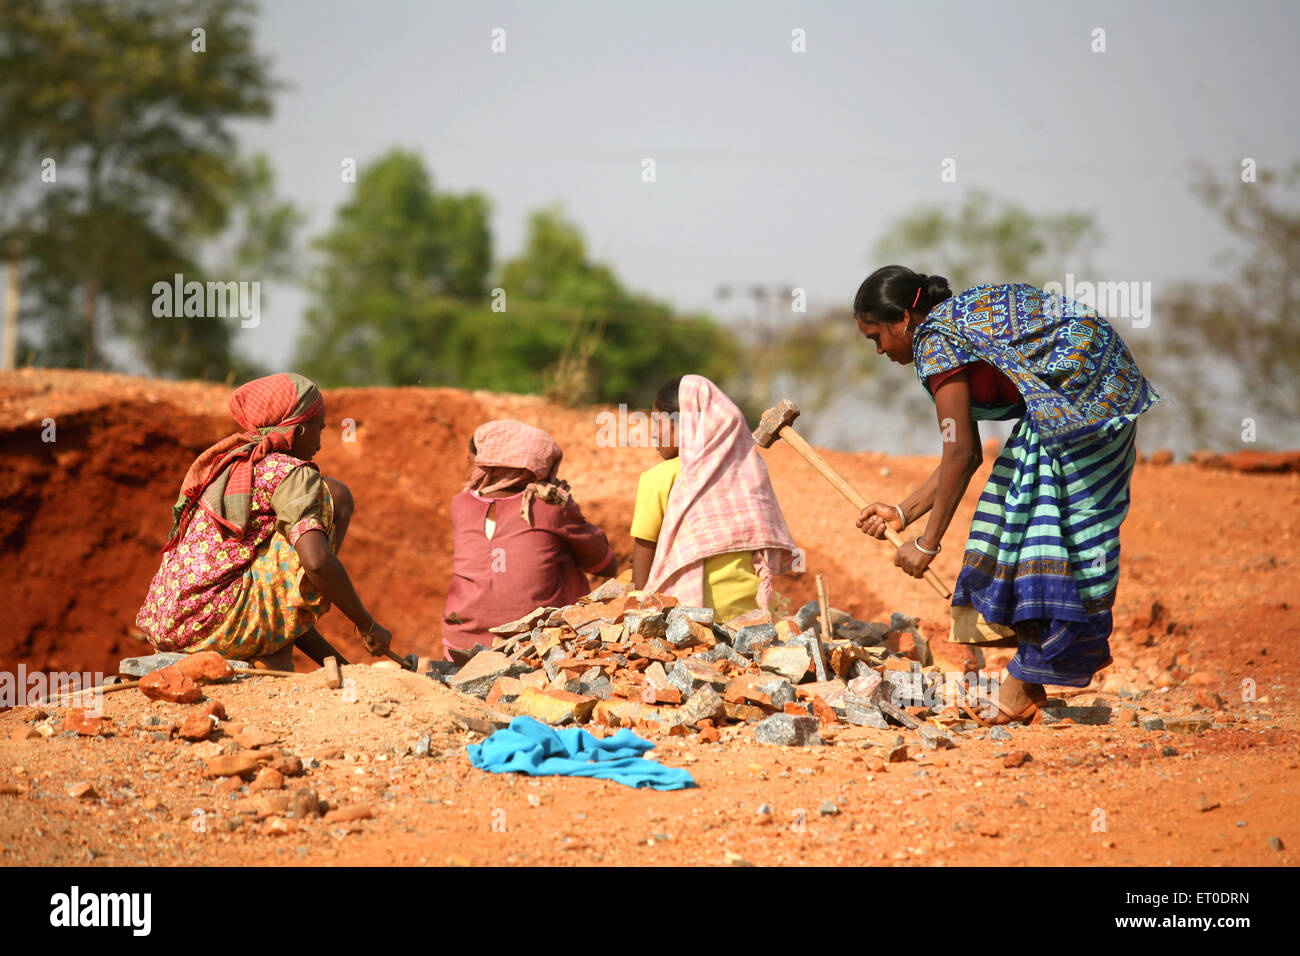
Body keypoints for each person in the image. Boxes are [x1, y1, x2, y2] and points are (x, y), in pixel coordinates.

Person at [852, 266, 1159, 724]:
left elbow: (958, 452)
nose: (879, 350)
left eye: (877, 336)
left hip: (1081, 404)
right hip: (1109, 396)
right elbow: (968, 452)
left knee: (1035, 525)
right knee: (1051, 525)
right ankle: (1033, 677)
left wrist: (927, 544)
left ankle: (1025, 682)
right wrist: (903, 512)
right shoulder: (953, 325)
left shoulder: (935, 340)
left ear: (902, 320)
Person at [135, 372, 392, 669]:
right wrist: (368, 625)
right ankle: (269, 656)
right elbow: (317, 563)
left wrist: (341, 667)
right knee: (335, 494)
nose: (320, 443)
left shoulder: (231, 465)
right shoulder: (292, 473)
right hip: (213, 624)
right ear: (300, 429)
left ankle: (270, 654)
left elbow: (278, 598)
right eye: (319, 429)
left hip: (173, 628)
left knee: (296, 536)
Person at [442, 420, 617, 659]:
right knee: (563, 554)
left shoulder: (460, 504)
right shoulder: (550, 506)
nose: (467, 465)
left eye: (470, 459)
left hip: (460, 644)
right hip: (530, 647)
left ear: (485, 464)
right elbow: (606, 565)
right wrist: (564, 504)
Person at [631, 374, 797, 622]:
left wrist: (637, 608)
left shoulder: (658, 478)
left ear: (683, 424)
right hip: (751, 617)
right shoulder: (746, 474)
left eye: (658, 423)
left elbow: (643, 553)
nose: (653, 434)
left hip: (687, 618)